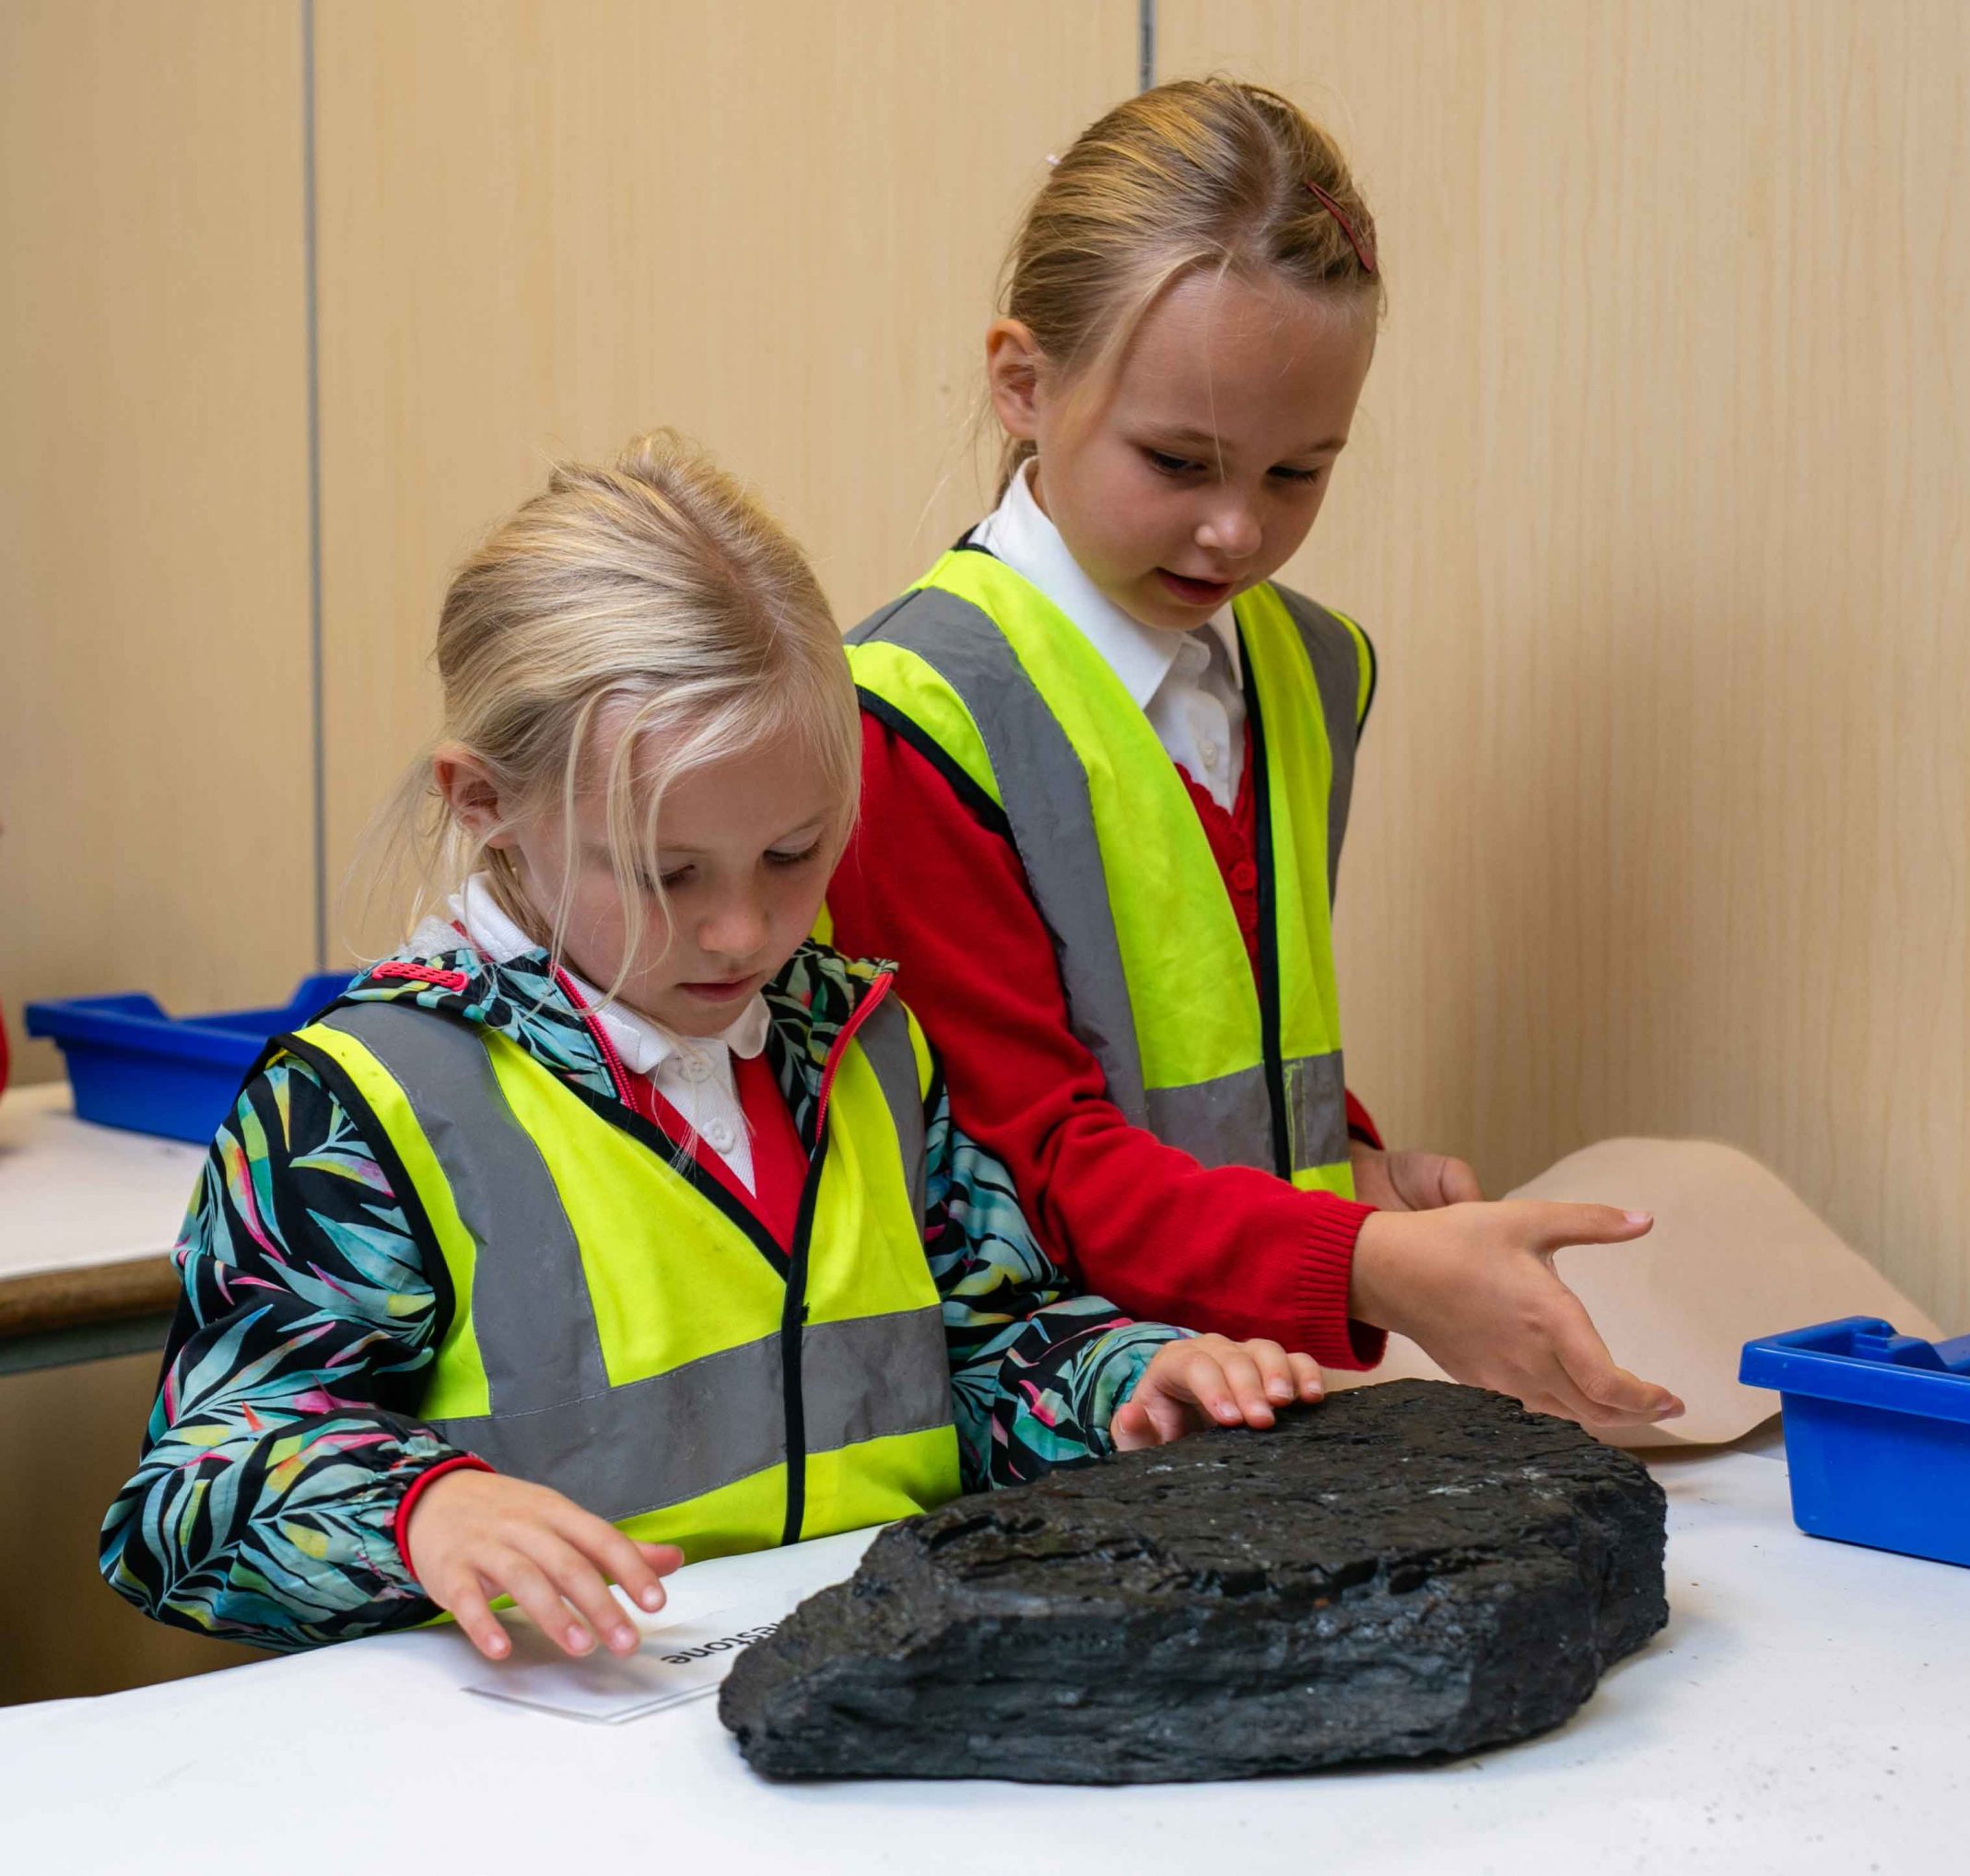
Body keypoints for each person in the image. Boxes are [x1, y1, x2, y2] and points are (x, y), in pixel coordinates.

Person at [100, 434, 1319, 1661]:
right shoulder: (366, 1105)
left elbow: (990, 1350)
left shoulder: (871, 1049)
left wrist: (1125, 1388)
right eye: (664, 872)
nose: (745, 929)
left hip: (852, 1712)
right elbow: (192, 1508)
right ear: (486, 806)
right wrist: (422, 1511)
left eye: (795, 855)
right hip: (533, 1759)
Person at [827, 80, 1683, 1429]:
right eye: (1179, 461)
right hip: (1041, 1415)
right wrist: (1372, 1266)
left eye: (1300, 474)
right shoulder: (907, 716)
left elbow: (1208, 1015)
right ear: (1023, 385)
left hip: (1255, 1393)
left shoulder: (1310, 666)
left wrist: (1348, 1165)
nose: (1236, 534)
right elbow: (1027, 1159)